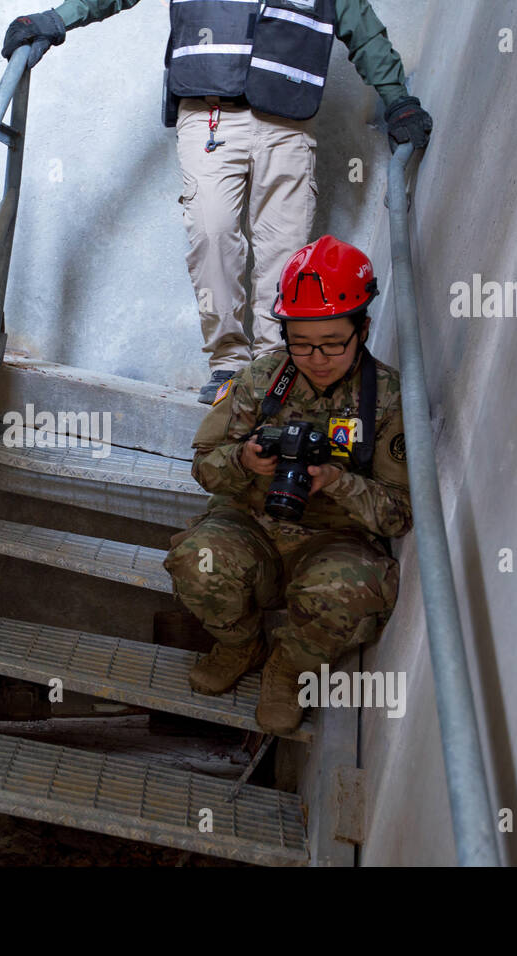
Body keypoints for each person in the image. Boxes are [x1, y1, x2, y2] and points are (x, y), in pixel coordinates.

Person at [2, 1, 432, 403]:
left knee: (284, 253)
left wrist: (398, 100)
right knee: (211, 233)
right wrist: (58, 20)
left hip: (289, 121)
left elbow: (362, 27)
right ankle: (228, 363)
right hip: (210, 113)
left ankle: (270, 367)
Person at [161, 235, 411, 734]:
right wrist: (245, 462)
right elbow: (204, 467)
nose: (316, 358)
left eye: (332, 344)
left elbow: (399, 513)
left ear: (362, 329)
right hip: (251, 522)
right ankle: (241, 644)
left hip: (333, 539)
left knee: (350, 589)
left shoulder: (386, 399)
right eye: (300, 343)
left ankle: (290, 667)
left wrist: (339, 482)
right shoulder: (261, 380)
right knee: (197, 558)